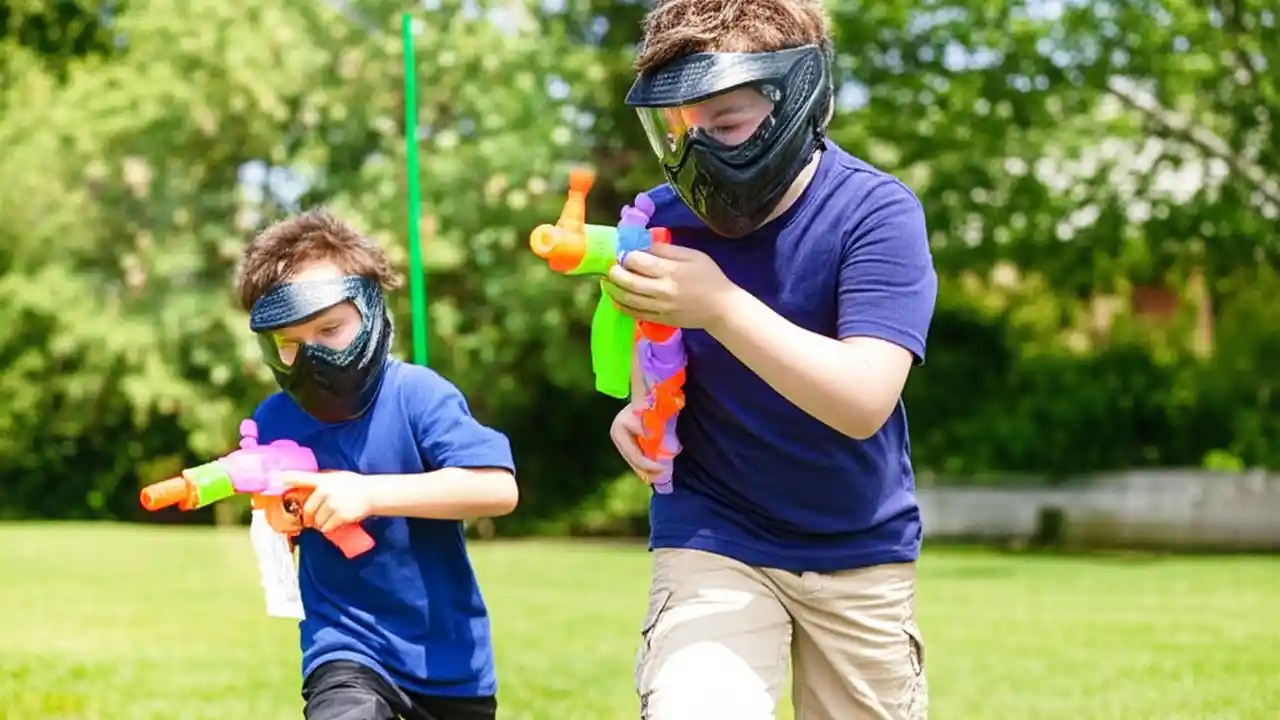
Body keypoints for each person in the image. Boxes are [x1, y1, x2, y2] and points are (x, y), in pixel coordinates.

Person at [604, 1, 938, 718]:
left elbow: (862, 401)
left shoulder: (876, 213)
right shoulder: (661, 220)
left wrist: (719, 305)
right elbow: (655, 355)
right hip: (713, 532)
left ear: (797, 97)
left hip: (858, 546)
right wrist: (636, 412)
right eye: (680, 129)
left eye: (724, 125)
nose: (698, 153)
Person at [234, 208, 519, 720]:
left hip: (449, 664)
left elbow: (496, 489)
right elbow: (285, 528)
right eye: (290, 344)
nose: (312, 357)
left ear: (370, 312)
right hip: (344, 649)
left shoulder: (418, 395)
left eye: (330, 329)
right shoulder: (274, 419)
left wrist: (367, 494)